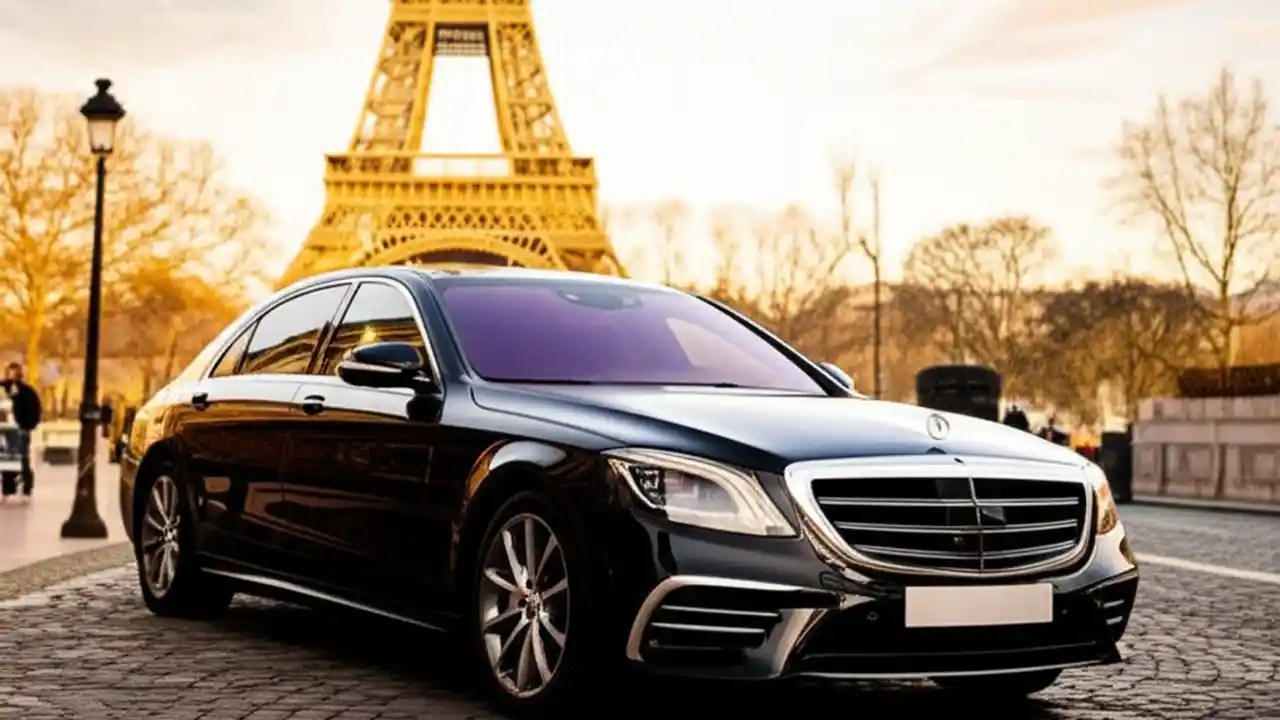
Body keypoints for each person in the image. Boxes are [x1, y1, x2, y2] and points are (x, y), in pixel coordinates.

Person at [1, 362, 42, 503]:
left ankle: (26, 488)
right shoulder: (3, 388)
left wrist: (28, 425)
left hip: (20, 430)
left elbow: (35, 409)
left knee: (23, 459)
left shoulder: (26, 391)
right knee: (6, 460)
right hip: (5, 430)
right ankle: (8, 489)